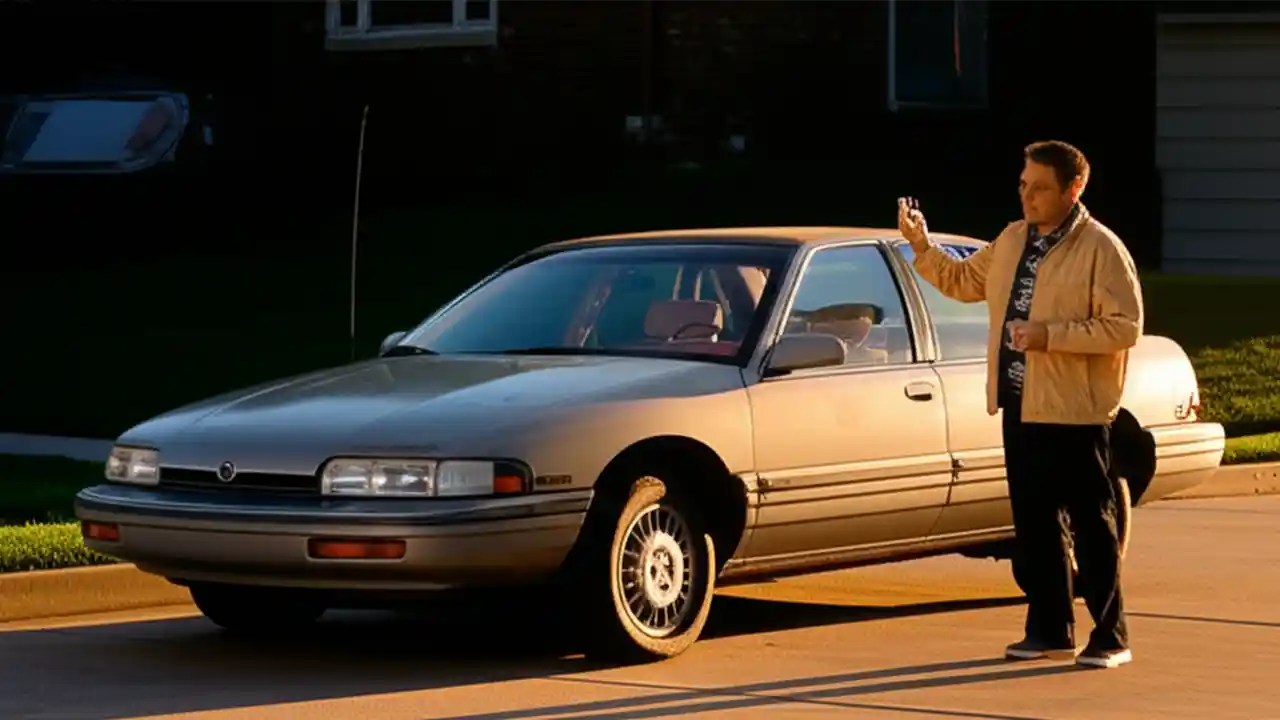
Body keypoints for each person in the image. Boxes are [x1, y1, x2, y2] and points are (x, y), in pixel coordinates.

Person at [897, 140, 1144, 669]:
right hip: (1020, 405)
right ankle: (1050, 629)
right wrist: (920, 247)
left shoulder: (1102, 249)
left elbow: (1124, 327)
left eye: (1039, 188)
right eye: (1023, 185)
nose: (1027, 196)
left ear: (1073, 189)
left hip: (1076, 412)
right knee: (1034, 527)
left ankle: (1111, 635)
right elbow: (964, 281)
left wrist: (1048, 334)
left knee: (1093, 526)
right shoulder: (1012, 239)